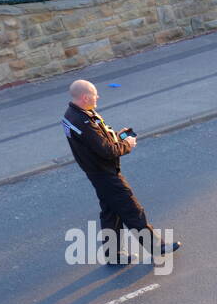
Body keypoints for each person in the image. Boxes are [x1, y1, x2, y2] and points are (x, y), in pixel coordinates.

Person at [62, 79, 179, 265]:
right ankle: (156, 247)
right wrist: (127, 144)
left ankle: (113, 255)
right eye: (94, 94)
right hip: (105, 173)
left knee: (111, 213)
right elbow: (107, 151)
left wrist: (116, 136)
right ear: (85, 97)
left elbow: (97, 142)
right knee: (132, 209)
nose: (98, 96)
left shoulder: (75, 114)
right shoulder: (83, 121)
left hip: (97, 173)